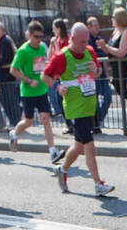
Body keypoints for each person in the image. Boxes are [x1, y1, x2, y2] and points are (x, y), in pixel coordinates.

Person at [43, 22, 114, 197]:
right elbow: (44, 75)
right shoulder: (61, 56)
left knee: (78, 144)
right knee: (89, 144)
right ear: (72, 39)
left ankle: (62, 168)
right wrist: (58, 86)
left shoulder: (89, 51)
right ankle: (98, 183)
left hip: (89, 104)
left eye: (86, 41)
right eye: (81, 42)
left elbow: (96, 72)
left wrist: (96, 70)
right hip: (75, 107)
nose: (85, 45)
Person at [9, 20, 62, 162]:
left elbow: (46, 63)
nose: (39, 40)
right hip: (28, 93)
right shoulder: (23, 51)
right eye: (37, 37)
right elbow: (13, 70)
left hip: (42, 91)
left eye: (41, 37)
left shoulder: (41, 48)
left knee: (46, 120)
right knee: (28, 121)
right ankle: (14, 133)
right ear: (30, 36)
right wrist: (28, 80)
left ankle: (53, 152)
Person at [101, 8, 127, 133]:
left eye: (113, 17)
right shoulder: (115, 32)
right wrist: (103, 47)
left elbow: (122, 52)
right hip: (117, 72)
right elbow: (112, 50)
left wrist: (106, 47)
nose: (111, 20)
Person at [0, 20, 18, 128]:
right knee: (7, 102)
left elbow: (4, 59)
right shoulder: (2, 41)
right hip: (5, 78)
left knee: (9, 102)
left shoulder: (4, 41)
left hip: (6, 78)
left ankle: (14, 123)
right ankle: (13, 122)